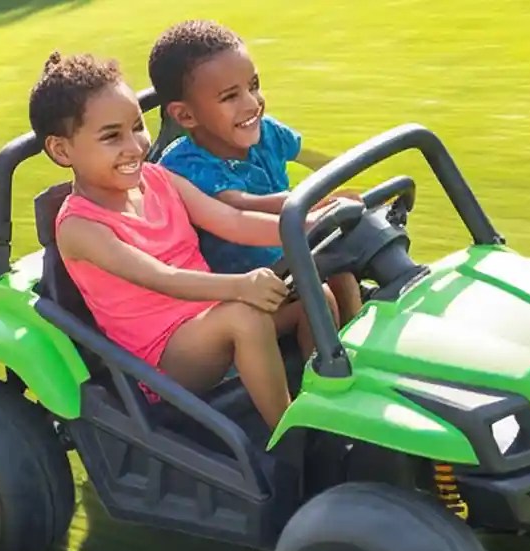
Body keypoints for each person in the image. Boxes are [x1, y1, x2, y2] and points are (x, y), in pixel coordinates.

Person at [28, 51, 343, 430]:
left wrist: (310, 223)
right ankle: (294, 432)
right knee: (245, 318)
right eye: (112, 136)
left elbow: (232, 221)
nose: (135, 146)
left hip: (212, 316)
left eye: (137, 127)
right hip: (164, 358)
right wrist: (240, 286)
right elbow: (162, 278)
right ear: (62, 150)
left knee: (315, 294)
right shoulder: (79, 227)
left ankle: (329, 403)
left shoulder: (158, 179)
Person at [149, 19, 365, 325]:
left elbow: (312, 157)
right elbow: (239, 205)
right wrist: (313, 205)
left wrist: (349, 171)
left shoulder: (266, 131)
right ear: (185, 115)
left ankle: (358, 337)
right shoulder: (183, 166)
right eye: (230, 96)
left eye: (253, 86)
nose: (253, 104)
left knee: (344, 265)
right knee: (322, 293)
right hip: (246, 291)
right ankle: (328, 355)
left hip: (292, 255)